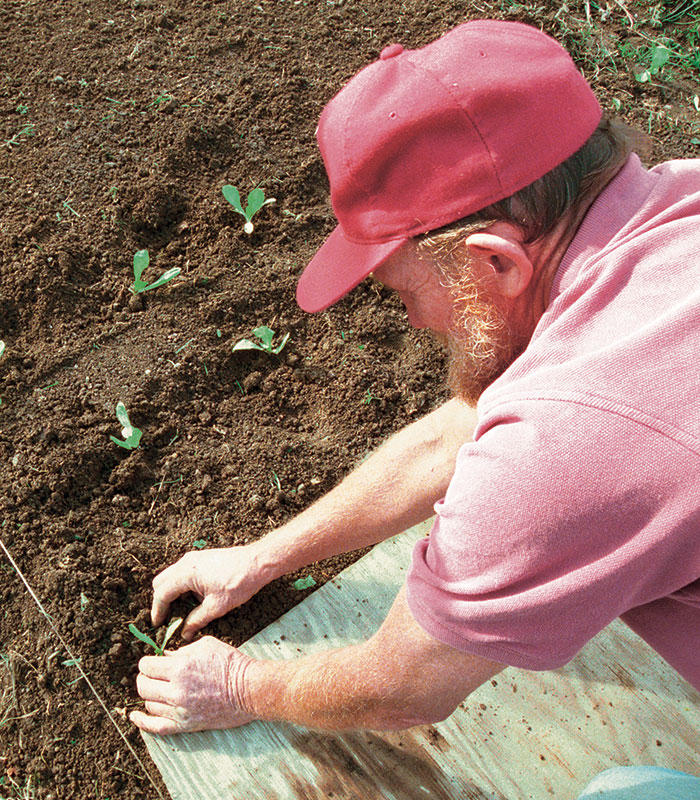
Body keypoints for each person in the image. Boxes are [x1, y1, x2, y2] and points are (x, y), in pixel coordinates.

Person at [130, 20, 700, 798]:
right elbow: (475, 423)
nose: (415, 323)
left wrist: (238, 686)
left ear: (493, 258)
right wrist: (265, 557)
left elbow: (406, 685)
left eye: (403, 291)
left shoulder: (565, 445)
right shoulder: (672, 210)